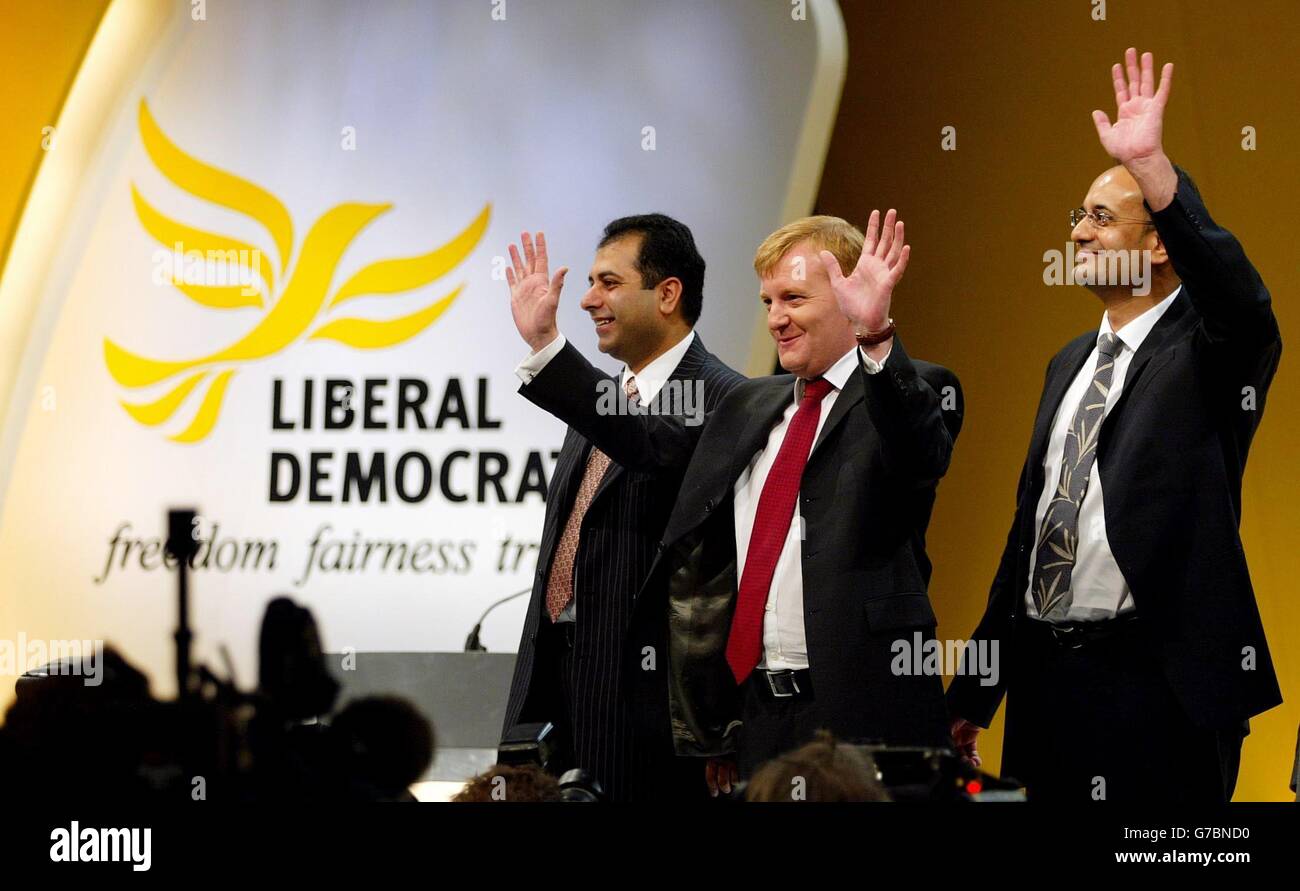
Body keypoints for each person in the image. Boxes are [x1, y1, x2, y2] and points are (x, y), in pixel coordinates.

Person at [947, 49, 1282, 802]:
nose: (1079, 233)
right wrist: (975, 690)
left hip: (1157, 688)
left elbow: (1245, 304)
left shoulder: (1210, 349)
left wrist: (1155, 173)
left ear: (1160, 241)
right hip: (1046, 683)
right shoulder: (1067, 363)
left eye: (1101, 217)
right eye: (1078, 216)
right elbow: (1031, 535)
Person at [598, 211, 963, 791]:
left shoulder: (914, 388)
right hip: (757, 715)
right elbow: (646, 443)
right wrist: (547, 353)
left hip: (864, 710)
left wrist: (876, 336)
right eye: (768, 301)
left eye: (793, 298)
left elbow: (920, 455)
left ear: (852, 295)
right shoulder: (747, 404)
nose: (776, 319)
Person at [500, 214, 745, 802]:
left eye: (608, 283)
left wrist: (547, 349)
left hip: (643, 710)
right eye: (590, 281)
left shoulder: (720, 395)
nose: (587, 300)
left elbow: (650, 444)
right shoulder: (614, 394)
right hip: (557, 691)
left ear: (667, 294)